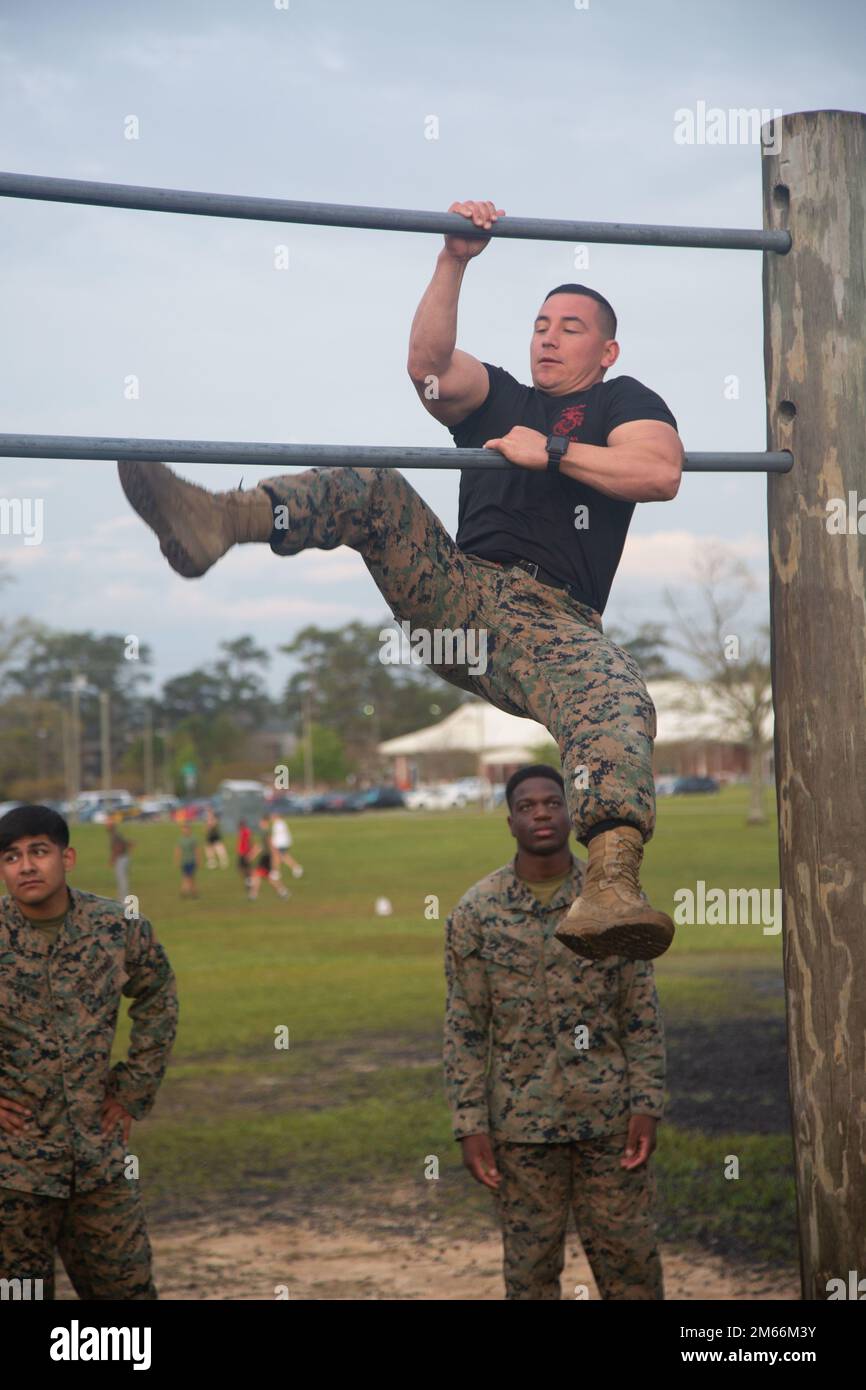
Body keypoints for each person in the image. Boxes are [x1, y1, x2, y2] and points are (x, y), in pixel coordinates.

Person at [116, 199, 684, 961]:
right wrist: (453, 259)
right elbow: (428, 372)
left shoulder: (623, 400)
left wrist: (549, 451)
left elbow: (658, 471)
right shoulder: (503, 397)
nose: (549, 336)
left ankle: (610, 887)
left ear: (607, 350)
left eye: (570, 328)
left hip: (555, 622)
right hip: (457, 595)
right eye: (541, 325)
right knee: (376, 490)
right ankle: (221, 520)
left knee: (615, 698)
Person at [443, 765, 665, 1301]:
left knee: (629, 1260)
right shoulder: (476, 911)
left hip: (607, 1117)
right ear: (510, 821)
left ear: (572, 813)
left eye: (552, 802)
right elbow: (466, 1026)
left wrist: (647, 1104)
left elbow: (640, 1011)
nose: (541, 813)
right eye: (527, 806)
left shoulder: (610, 902)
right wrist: (470, 1123)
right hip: (522, 1126)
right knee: (530, 1269)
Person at [0, 804, 178, 1300]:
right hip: (12, 1176)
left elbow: (158, 993)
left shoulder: (114, 928)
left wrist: (133, 1088)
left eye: (39, 851)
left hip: (98, 1166)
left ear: (68, 857)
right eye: (12, 857)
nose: (27, 866)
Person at [247, 815, 290, 902]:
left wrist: (252, 855)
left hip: (266, 858)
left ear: (265, 822)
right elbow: (261, 846)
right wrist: (253, 854)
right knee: (267, 877)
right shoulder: (264, 832)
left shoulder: (266, 833)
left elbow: (269, 846)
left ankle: (253, 895)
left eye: (261, 822)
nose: (259, 823)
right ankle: (283, 892)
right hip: (265, 857)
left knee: (257, 875)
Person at [107, 814, 133, 902]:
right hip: (124, 858)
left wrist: (113, 858)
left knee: (122, 880)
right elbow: (125, 843)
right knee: (122, 879)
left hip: (121, 859)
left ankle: (124, 900)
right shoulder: (117, 834)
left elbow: (118, 847)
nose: (106, 827)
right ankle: (121, 898)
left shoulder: (115, 835)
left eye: (108, 826)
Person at [269, 811, 303, 881]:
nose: (271, 817)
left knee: (280, 857)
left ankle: (296, 868)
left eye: (272, 816)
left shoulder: (278, 824)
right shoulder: (279, 823)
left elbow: (278, 835)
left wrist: (273, 844)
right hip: (283, 843)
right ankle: (277, 872)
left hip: (281, 843)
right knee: (281, 857)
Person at [175, 824, 199, 898]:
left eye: (186, 829)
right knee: (185, 877)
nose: (185, 831)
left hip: (191, 861)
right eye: (184, 829)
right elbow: (178, 851)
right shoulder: (180, 840)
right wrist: (177, 860)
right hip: (184, 861)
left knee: (191, 877)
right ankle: (185, 892)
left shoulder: (193, 839)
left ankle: (192, 892)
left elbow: (196, 850)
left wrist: (198, 860)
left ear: (190, 830)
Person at [236, 819, 253, 892]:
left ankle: (249, 881)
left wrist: (247, 853)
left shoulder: (245, 831)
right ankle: (248, 880)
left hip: (244, 853)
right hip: (242, 852)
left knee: (243, 867)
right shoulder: (243, 831)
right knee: (242, 868)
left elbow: (247, 842)